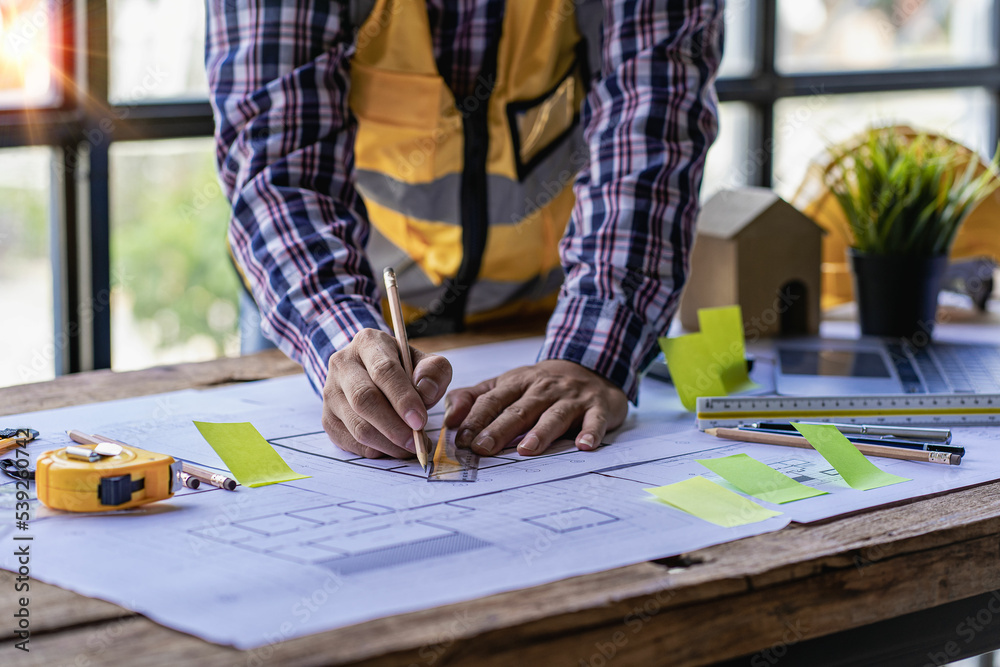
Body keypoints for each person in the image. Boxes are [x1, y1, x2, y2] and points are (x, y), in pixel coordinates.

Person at [205, 0, 723, 460]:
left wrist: (591, 352)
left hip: (550, 313)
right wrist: (341, 336)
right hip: (345, 303)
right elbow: (280, 175)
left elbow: (649, 140)